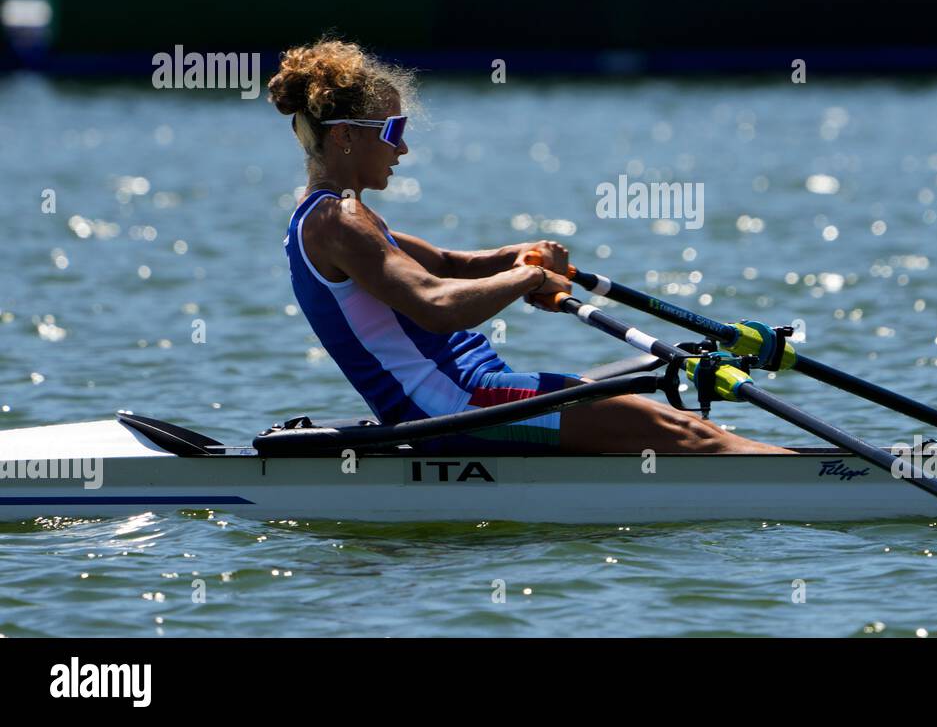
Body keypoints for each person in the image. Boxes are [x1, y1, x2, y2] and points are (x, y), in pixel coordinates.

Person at [267, 38, 791, 454]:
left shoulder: (328, 216)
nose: (403, 147)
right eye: (393, 130)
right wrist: (530, 279)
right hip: (457, 404)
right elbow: (435, 305)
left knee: (663, 425)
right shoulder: (340, 221)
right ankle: (835, 487)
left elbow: (450, 265)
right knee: (691, 435)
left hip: (467, 392)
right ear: (344, 137)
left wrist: (522, 252)